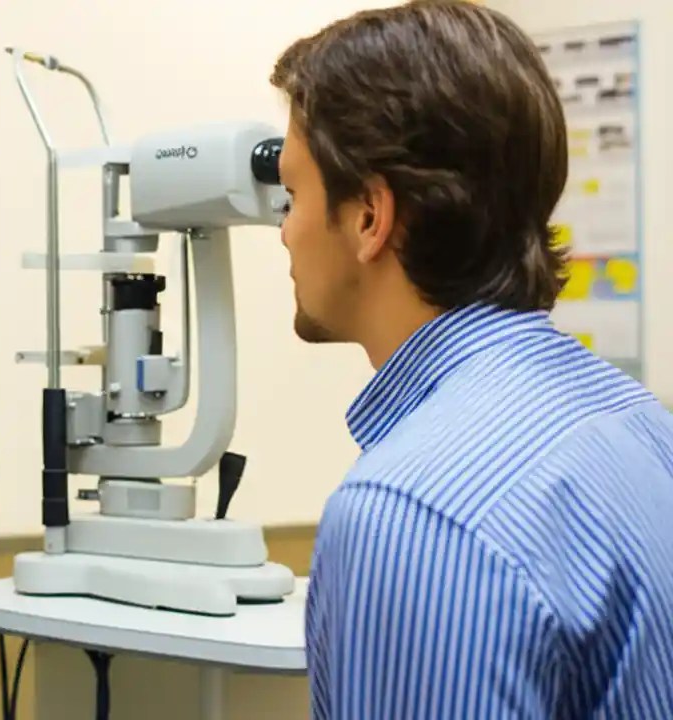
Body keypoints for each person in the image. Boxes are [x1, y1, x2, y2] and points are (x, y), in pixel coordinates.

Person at [271, 1, 673, 717]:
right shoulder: (638, 423)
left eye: (293, 193)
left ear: (369, 215)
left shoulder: (407, 515)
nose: (285, 231)